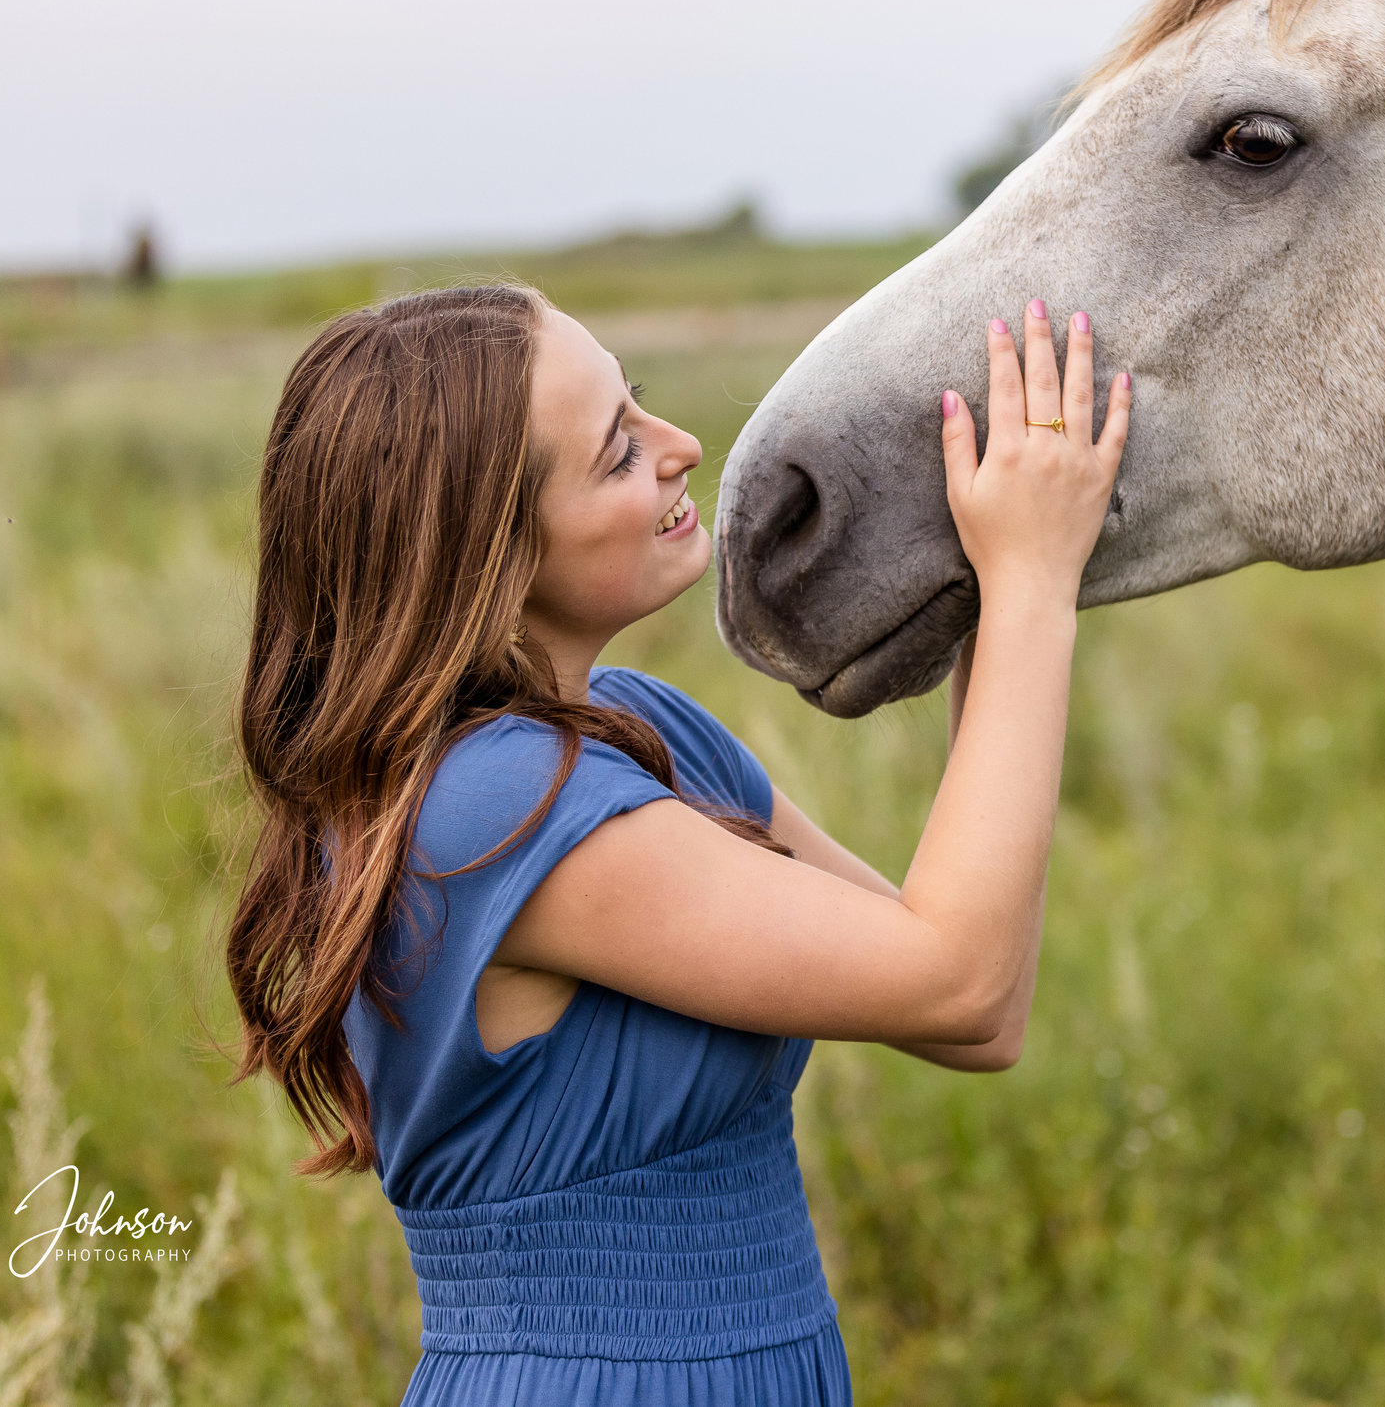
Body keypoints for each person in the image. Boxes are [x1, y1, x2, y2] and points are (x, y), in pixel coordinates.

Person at [225, 282, 1129, 1404]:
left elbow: (960, 1004)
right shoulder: (492, 804)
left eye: (639, 403)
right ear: (486, 560)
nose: (683, 446)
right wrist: (1035, 580)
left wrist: (985, 588)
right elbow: (962, 985)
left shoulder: (642, 734)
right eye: (615, 453)